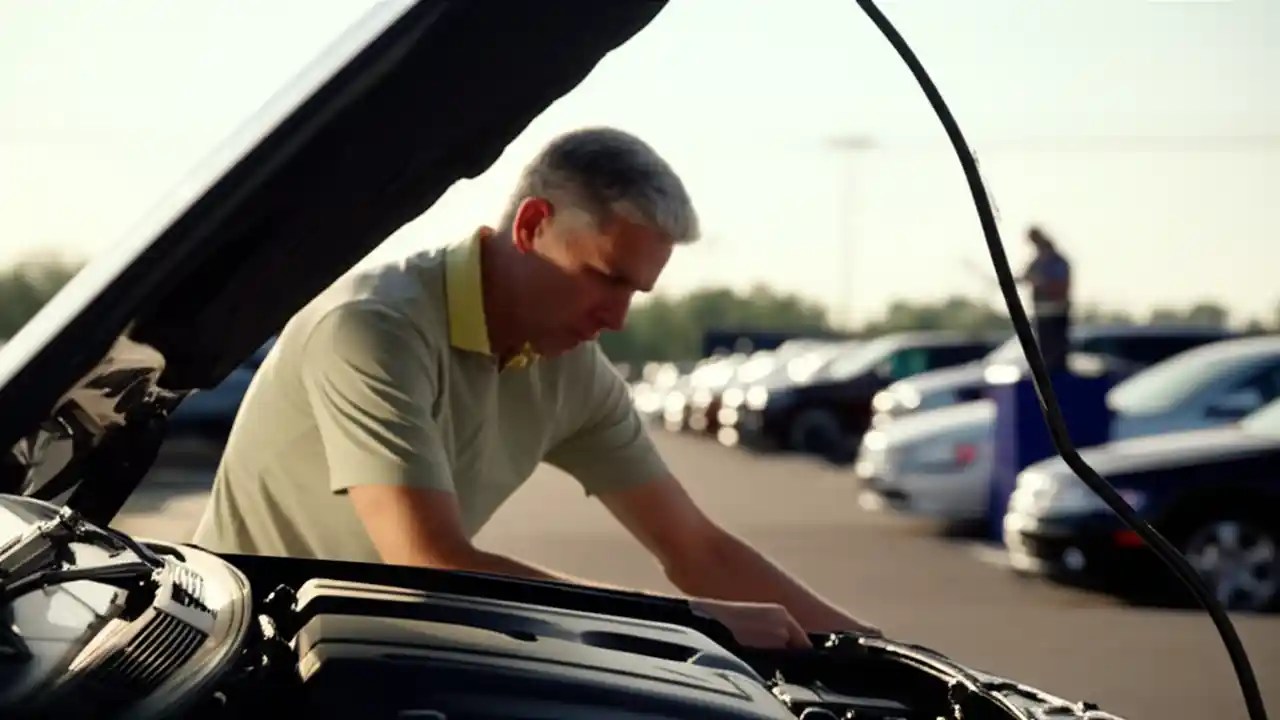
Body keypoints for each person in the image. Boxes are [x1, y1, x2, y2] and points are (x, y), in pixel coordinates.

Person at [191, 126, 879, 650]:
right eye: (606, 277)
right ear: (531, 226)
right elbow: (431, 564)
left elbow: (698, 551)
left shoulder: (576, 370)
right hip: (238, 654)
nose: (616, 318)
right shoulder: (374, 328)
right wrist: (689, 625)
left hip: (382, 652)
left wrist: (894, 659)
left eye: (636, 291)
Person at [1019, 225, 1072, 373]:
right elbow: (1025, 276)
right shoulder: (1038, 261)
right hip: (1042, 312)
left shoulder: (1057, 261)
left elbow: (1061, 285)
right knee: (1044, 349)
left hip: (1056, 311)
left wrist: (1040, 282)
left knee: (1056, 349)